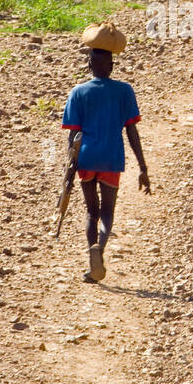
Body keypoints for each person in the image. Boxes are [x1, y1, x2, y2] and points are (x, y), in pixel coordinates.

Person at [61, 46, 150, 283]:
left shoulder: (78, 92)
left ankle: (92, 253)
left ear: (89, 65)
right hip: (112, 158)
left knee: (91, 210)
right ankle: (99, 250)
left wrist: (70, 167)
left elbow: (73, 136)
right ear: (111, 65)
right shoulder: (124, 91)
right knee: (107, 212)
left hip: (87, 158)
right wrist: (143, 167)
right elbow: (132, 130)